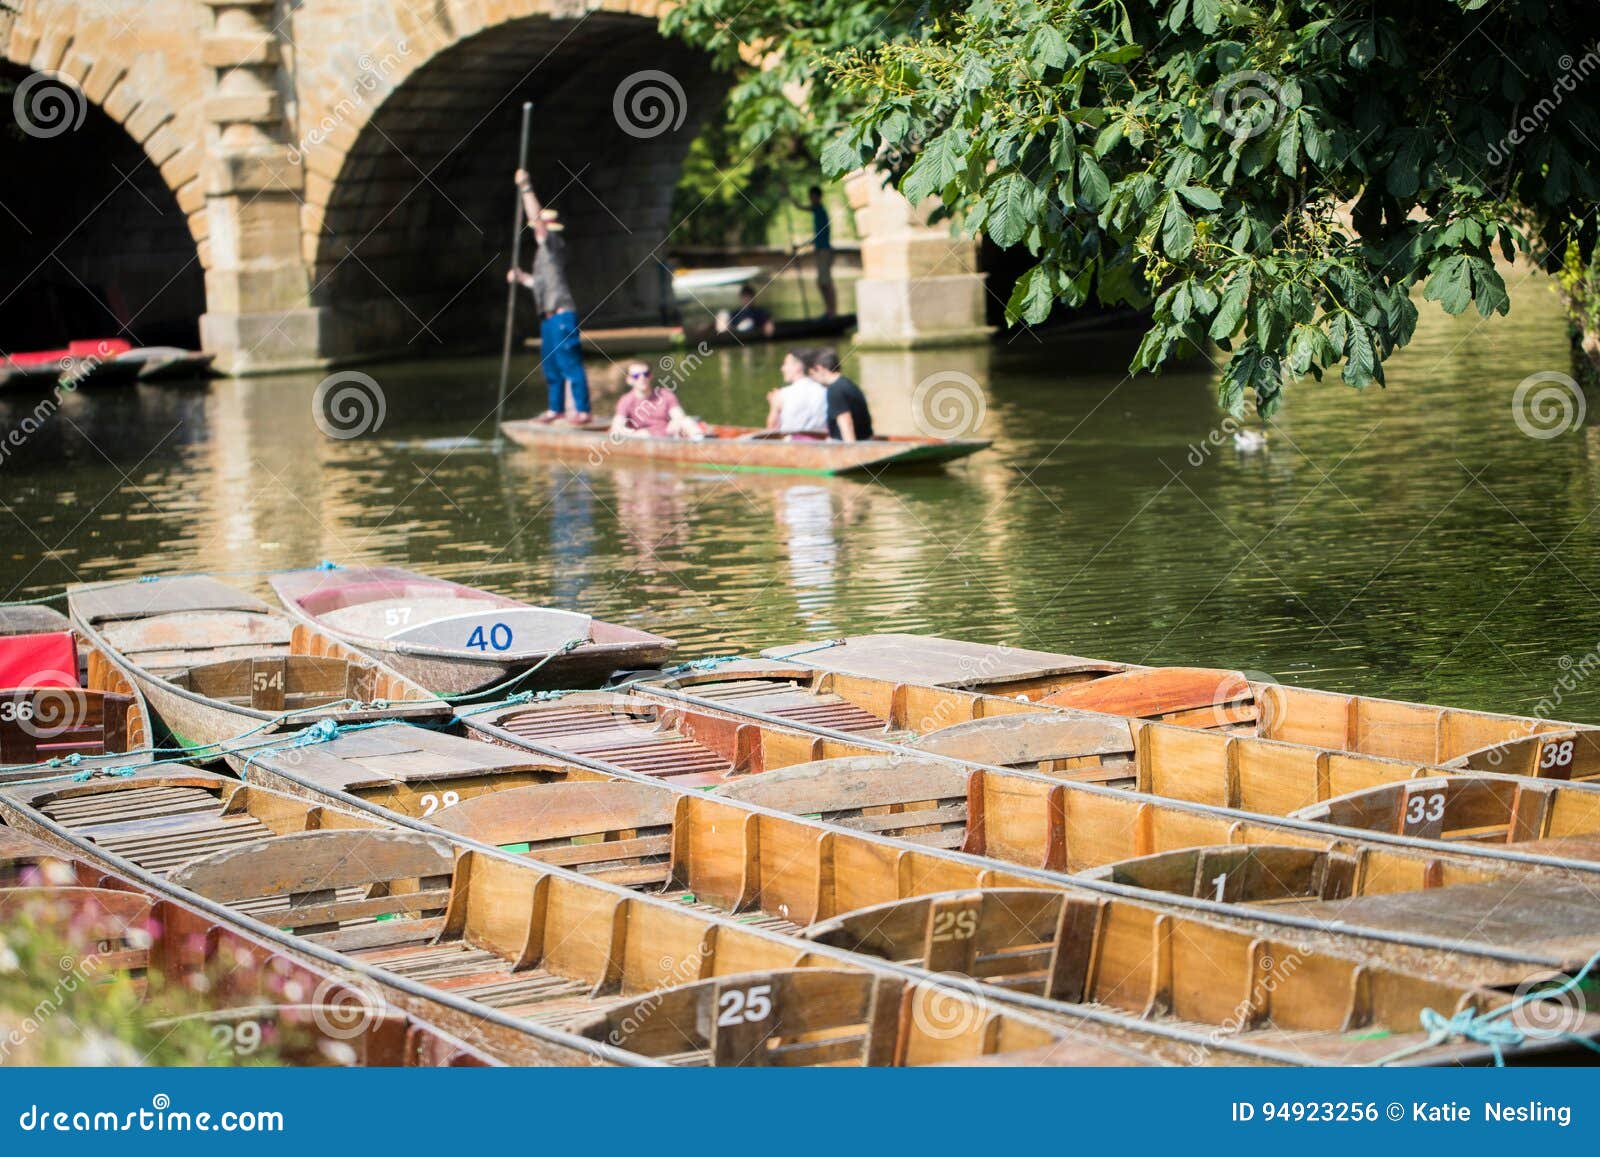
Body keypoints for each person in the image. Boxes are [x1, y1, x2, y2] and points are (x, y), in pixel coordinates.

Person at [507, 168, 590, 425]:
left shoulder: (553, 244)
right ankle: (556, 410)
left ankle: (582, 410)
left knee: (569, 363)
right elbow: (541, 284)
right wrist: (522, 278)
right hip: (547, 317)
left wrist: (526, 188)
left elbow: (537, 221)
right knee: (551, 365)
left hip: (563, 314)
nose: (536, 229)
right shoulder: (543, 255)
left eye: (539, 226)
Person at [610, 361, 703, 440]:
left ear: (651, 376)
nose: (642, 378)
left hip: (667, 434)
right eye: (636, 376)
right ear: (629, 380)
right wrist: (631, 433)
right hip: (644, 438)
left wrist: (678, 424)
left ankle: (702, 447)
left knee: (687, 421)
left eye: (646, 374)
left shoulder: (665, 394)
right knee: (642, 435)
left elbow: (678, 416)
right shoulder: (625, 400)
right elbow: (616, 427)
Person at [807, 348, 873, 442]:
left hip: (849, 444)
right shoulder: (848, 384)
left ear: (820, 369)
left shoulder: (834, 390)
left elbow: (846, 424)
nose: (812, 379)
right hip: (866, 440)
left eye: (812, 374)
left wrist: (852, 451)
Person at [765, 348, 829, 437]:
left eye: (785, 364)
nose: (782, 368)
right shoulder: (825, 391)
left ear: (797, 366)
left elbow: (771, 430)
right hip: (820, 445)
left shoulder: (783, 394)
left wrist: (773, 406)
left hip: (791, 446)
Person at [807, 186, 838, 319]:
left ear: (818, 197)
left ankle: (832, 312)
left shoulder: (820, 210)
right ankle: (829, 311)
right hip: (820, 250)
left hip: (824, 251)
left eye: (813, 197)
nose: (812, 199)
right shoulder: (817, 211)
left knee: (825, 282)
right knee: (821, 282)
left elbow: (822, 234)